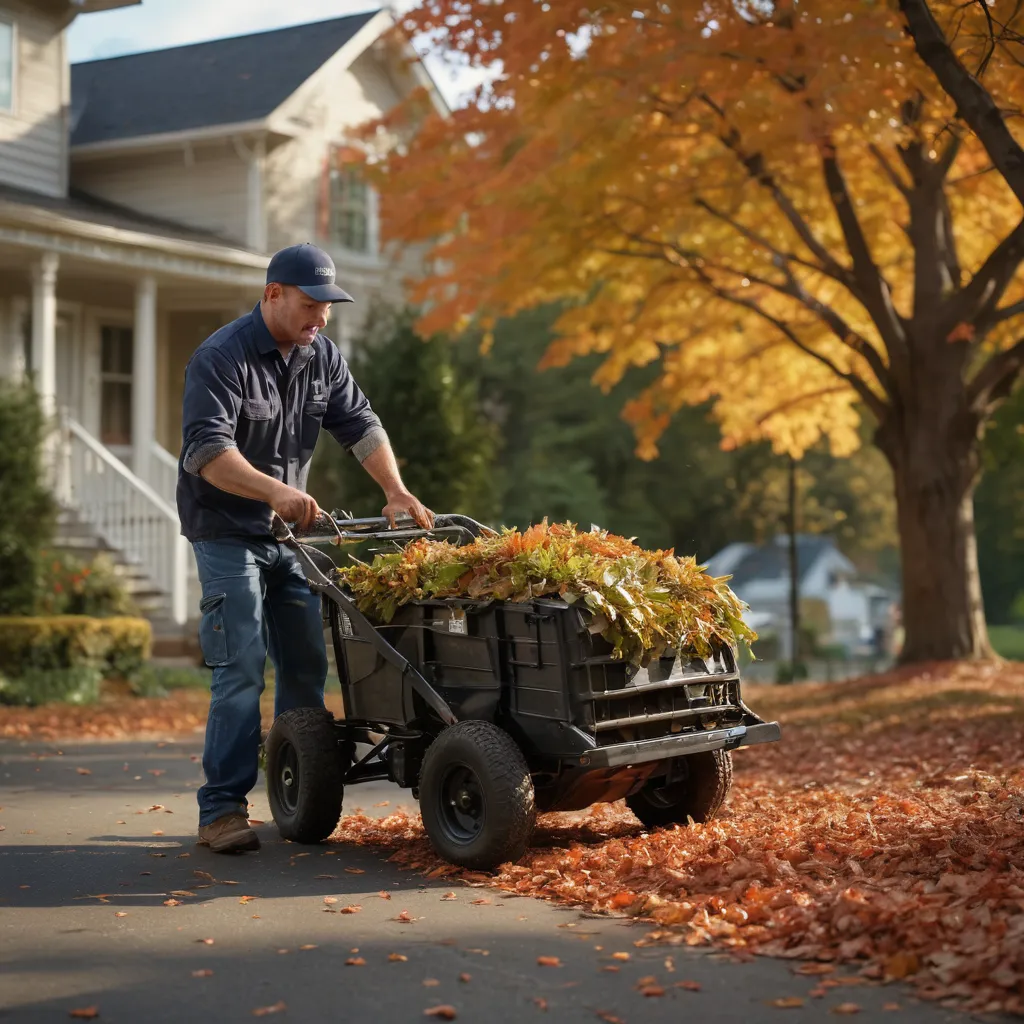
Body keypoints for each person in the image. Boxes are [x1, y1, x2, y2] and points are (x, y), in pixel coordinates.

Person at [176, 242, 433, 854]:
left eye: (328, 307)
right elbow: (207, 453)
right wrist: (276, 493)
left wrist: (395, 491)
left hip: (291, 535)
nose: (321, 317)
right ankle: (222, 812)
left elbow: (360, 424)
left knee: (307, 668)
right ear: (273, 295)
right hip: (225, 531)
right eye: (311, 303)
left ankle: (298, 795)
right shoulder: (221, 357)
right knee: (240, 669)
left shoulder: (321, 356)